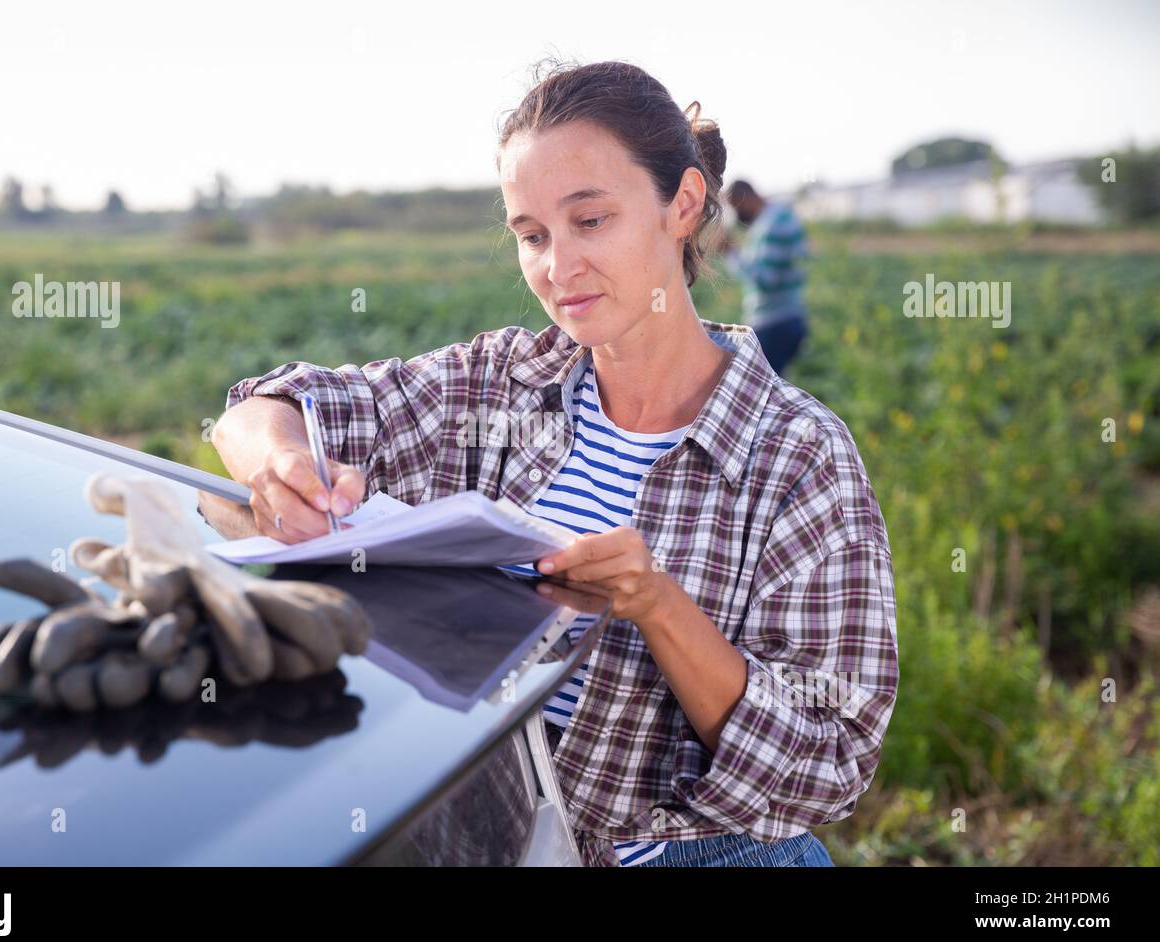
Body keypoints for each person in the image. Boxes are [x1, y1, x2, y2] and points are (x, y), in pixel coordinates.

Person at [208, 59, 898, 868]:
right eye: (532, 235)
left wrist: (660, 608)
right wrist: (282, 464)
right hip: (492, 838)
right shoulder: (496, 382)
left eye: (591, 221)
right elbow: (260, 407)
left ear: (681, 204)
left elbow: (831, 763)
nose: (557, 269)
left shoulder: (797, 454)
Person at [721, 179, 809, 376]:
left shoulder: (773, 225)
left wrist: (731, 253)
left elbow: (766, 281)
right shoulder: (777, 218)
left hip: (774, 323)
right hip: (786, 317)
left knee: (759, 394)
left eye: (736, 207)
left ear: (745, 199)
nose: (737, 214)